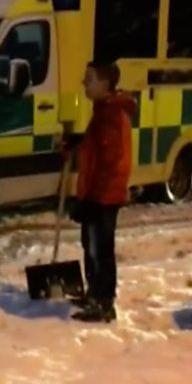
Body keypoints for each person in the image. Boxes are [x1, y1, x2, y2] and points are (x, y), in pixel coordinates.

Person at [67, 61, 135, 323]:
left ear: (105, 84)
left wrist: (93, 201)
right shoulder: (103, 111)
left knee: (101, 250)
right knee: (90, 245)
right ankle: (94, 293)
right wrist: (79, 142)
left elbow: (112, 162)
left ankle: (104, 303)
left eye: (89, 78)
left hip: (104, 197)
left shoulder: (111, 115)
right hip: (96, 194)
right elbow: (97, 150)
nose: (84, 83)